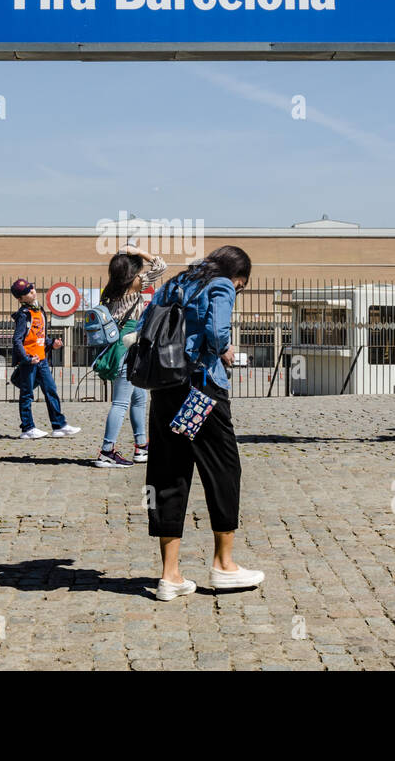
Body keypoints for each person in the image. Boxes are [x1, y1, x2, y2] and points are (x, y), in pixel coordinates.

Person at [144, 245, 263, 602]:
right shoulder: (221, 284)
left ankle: (170, 575)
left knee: (168, 473)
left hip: (165, 388)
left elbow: (147, 320)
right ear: (237, 275)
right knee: (223, 469)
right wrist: (224, 348)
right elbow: (217, 329)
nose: (237, 290)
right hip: (202, 388)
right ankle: (224, 564)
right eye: (241, 285)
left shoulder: (174, 283)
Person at [94, 245, 167, 468]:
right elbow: (161, 266)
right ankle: (107, 451)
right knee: (120, 403)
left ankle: (142, 447)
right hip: (127, 349)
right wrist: (139, 251)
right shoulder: (134, 286)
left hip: (120, 347)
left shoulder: (110, 290)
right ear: (131, 273)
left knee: (139, 398)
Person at [10, 278, 80, 440]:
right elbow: (17, 340)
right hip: (30, 361)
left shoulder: (39, 311)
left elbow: (40, 336)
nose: (32, 291)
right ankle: (27, 428)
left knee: (51, 390)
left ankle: (59, 425)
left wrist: (52, 343)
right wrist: (26, 358)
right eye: (27, 291)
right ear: (20, 299)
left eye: (32, 288)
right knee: (27, 395)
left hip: (41, 360)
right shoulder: (24, 315)